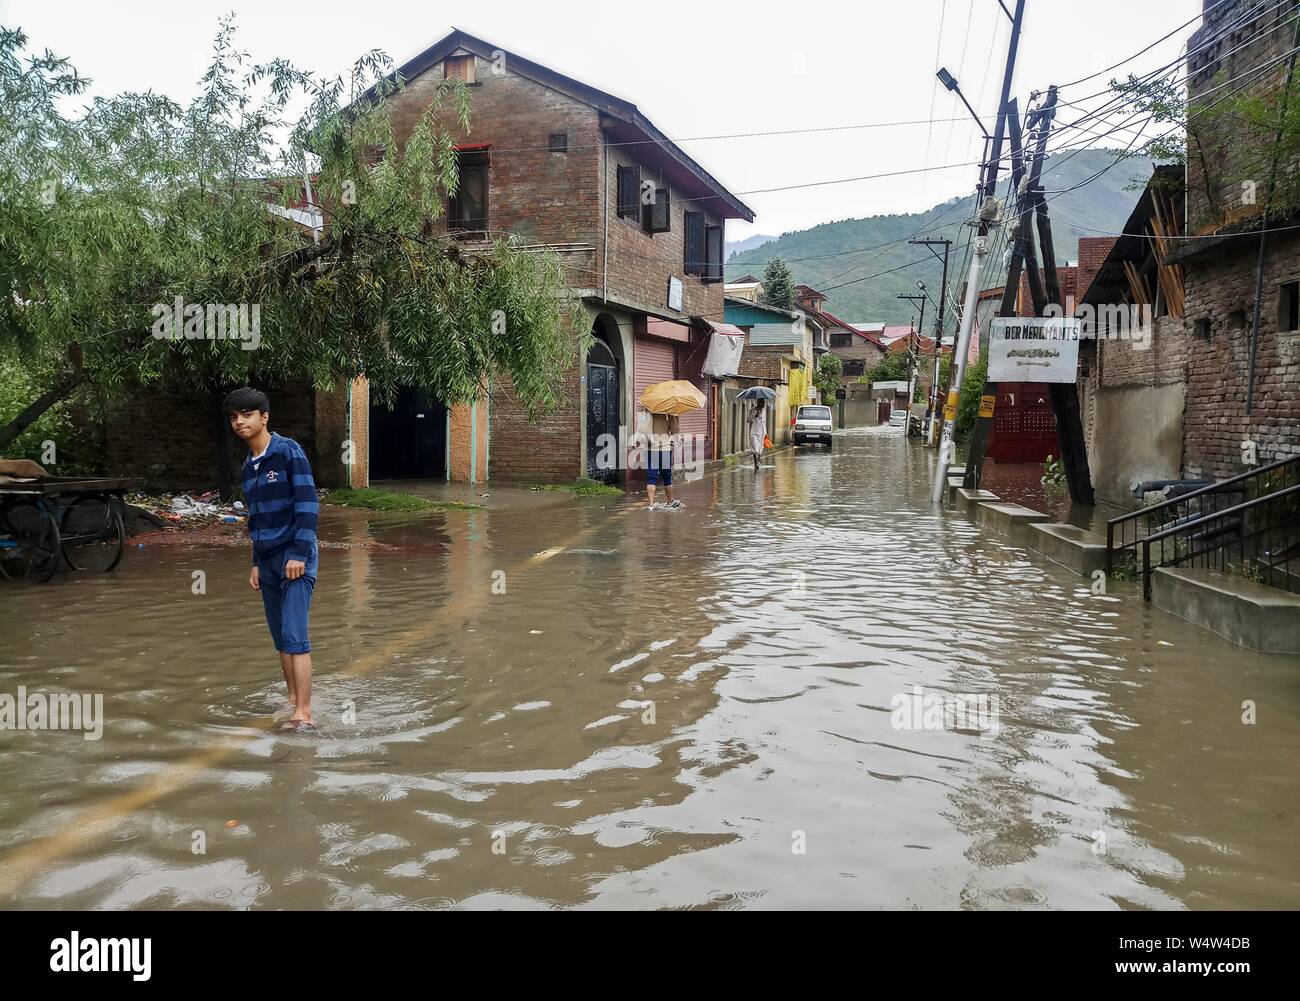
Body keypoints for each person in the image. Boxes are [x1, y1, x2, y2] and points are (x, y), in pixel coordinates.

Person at [225, 387, 320, 732]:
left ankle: (305, 715)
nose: (239, 422)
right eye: (234, 417)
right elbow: (257, 519)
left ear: (264, 417)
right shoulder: (248, 467)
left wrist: (298, 553)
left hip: (296, 555)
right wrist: (255, 560)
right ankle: (293, 700)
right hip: (266, 560)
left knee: (295, 635)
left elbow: (308, 504)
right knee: (281, 638)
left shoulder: (287, 451)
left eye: (247, 415)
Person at [645, 411, 682, 510]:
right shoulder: (668, 413)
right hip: (664, 448)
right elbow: (676, 431)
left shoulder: (646, 413)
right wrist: (675, 417)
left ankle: (651, 504)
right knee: (666, 476)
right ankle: (670, 501)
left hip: (650, 449)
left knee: (651, 476)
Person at [747, 399, 768, 471]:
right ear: (758, 403)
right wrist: (754, 415)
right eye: (762, 403)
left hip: (762, 432)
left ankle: (758, 460)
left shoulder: (764, 411)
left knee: (760, 449)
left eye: (764, 403)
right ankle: (756, 463)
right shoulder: (752, 410)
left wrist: (766, 432)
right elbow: (748, 420)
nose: (763, 404)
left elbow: (764, 422)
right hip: (754, 432)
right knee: (755, 448)